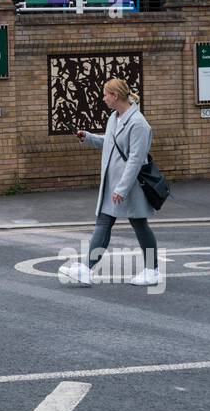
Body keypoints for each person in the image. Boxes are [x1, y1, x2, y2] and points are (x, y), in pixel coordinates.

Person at [59, 77, 161, 287]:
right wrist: (87, 137)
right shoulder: (115, 118)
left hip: (129, 186)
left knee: (139, 224)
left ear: (115, 96)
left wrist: (122, 189)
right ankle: (87, 269)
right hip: (113, 183)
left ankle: (152, 270)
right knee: (105, 223)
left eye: (106, 94)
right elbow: (111, 143)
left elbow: (135, 158)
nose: (103, 98)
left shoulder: (139, 123)